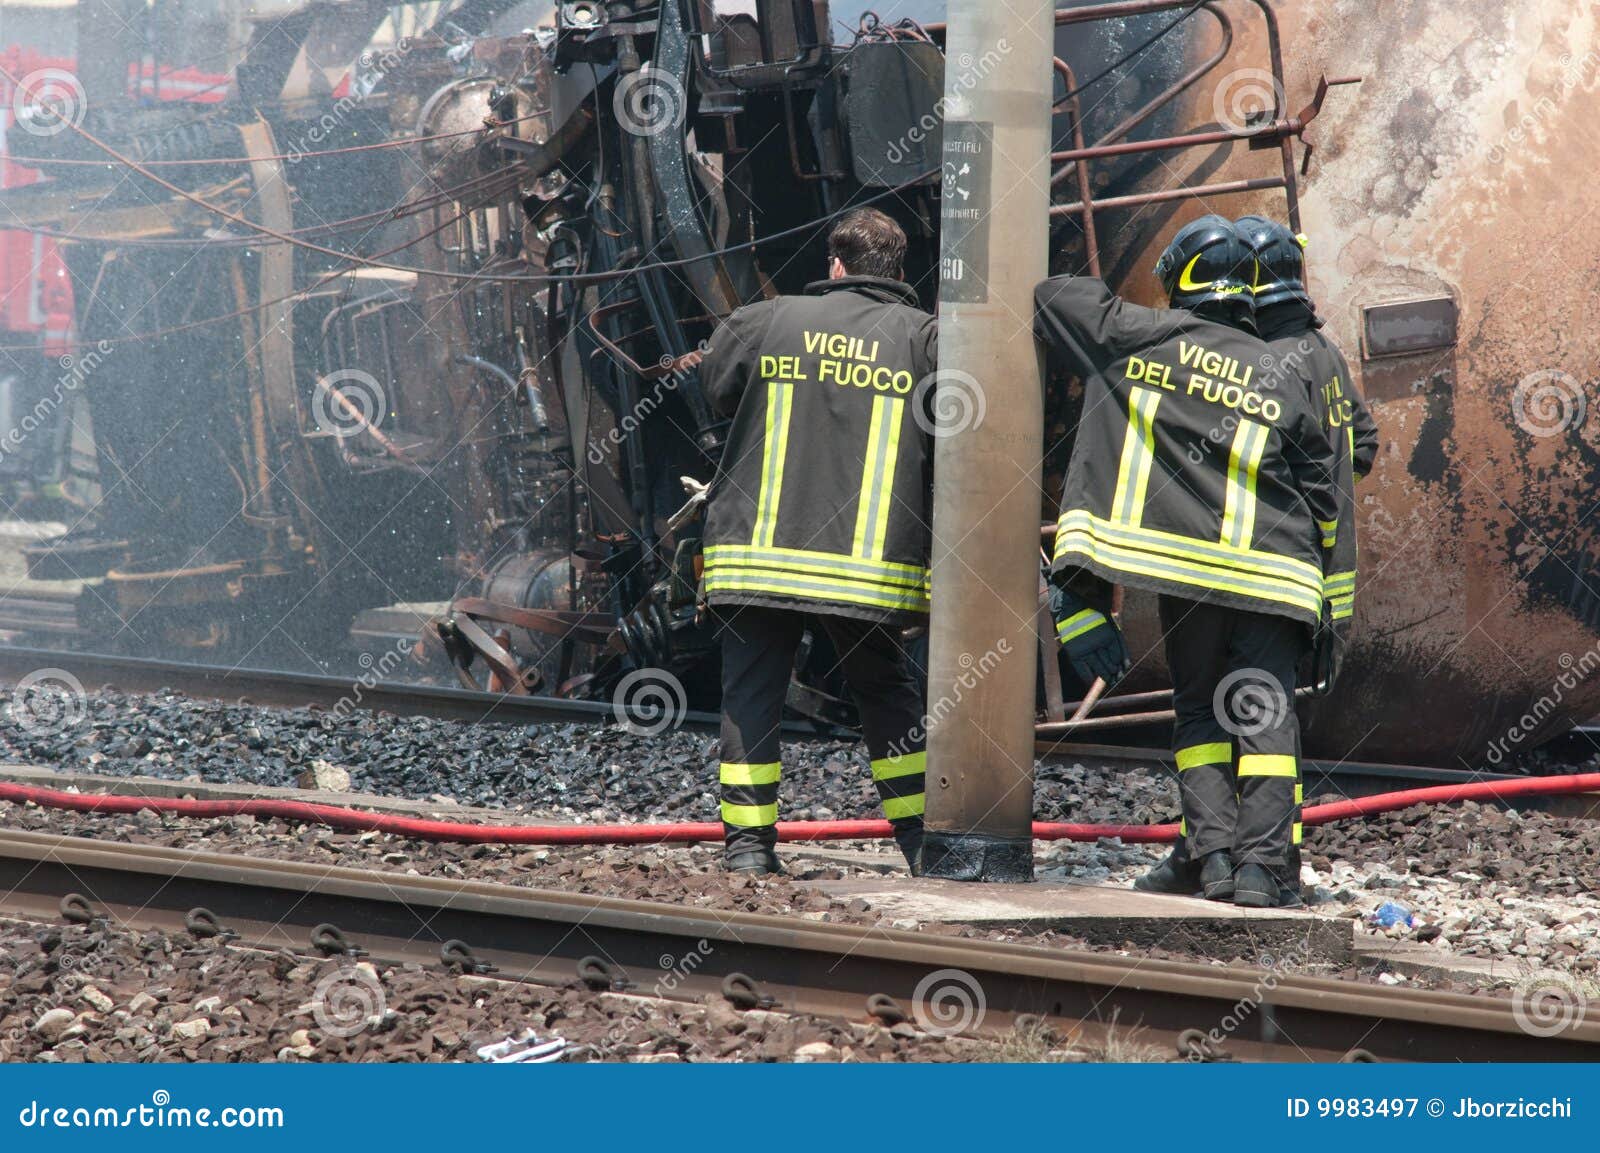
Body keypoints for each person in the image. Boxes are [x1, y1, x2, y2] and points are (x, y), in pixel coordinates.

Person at [1034, 214, 1341, 908]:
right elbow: (1324, 491)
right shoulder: (1282, 369)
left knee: (1200, 714)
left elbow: (1054, 295)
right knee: (1264, 715)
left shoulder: (1139, 336)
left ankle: (1214, 859)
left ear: (1180, 279)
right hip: (1275, 575)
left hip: (1190, 576)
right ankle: (1263, 872)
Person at [697, 207, 937, 876]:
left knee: (751, 693)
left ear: (834, 266)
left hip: (757, 553)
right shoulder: (925, 339)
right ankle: (919, 842)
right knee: (885, 695)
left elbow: (716, 390)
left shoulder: (764, 321)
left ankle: (748, 848)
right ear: (897, 270)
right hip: (862, 569)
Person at [1234, 216, 1379, 636]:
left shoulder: (1266, 365)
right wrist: (1336, 487)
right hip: (1334, 576)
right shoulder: (1324, 349)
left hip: (1292, 582)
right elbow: (1364, 439)